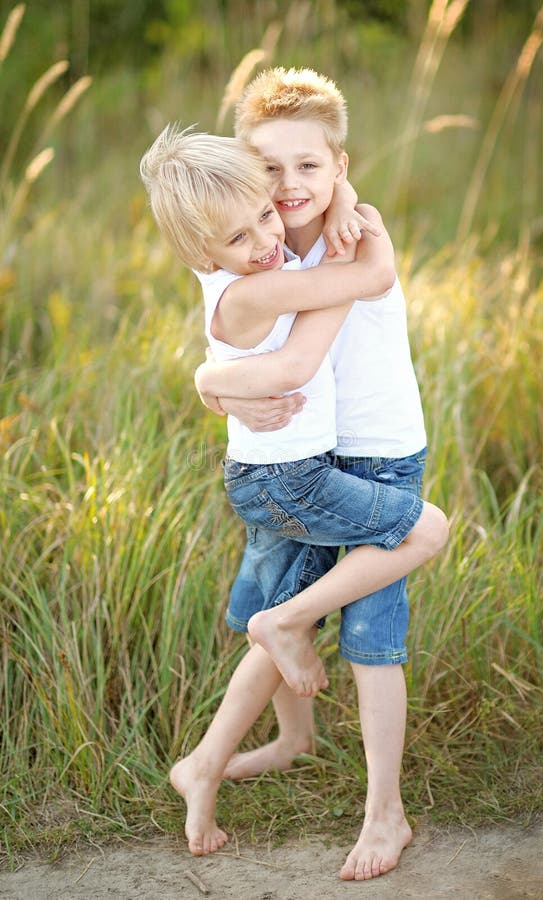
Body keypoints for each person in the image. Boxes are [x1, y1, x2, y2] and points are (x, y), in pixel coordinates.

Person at [140, 123, 448, 878]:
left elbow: (259, 332)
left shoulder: (254, 259)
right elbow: (331, 323)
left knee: (290, 604)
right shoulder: (268, 279)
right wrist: (211, 383)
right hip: (291, 477)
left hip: (279, 467)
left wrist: (343, 194)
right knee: (425, 533)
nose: (267, 234)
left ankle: (223, 756)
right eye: (241, 233)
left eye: (269, 214)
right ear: (203, 252)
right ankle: (284, 630)